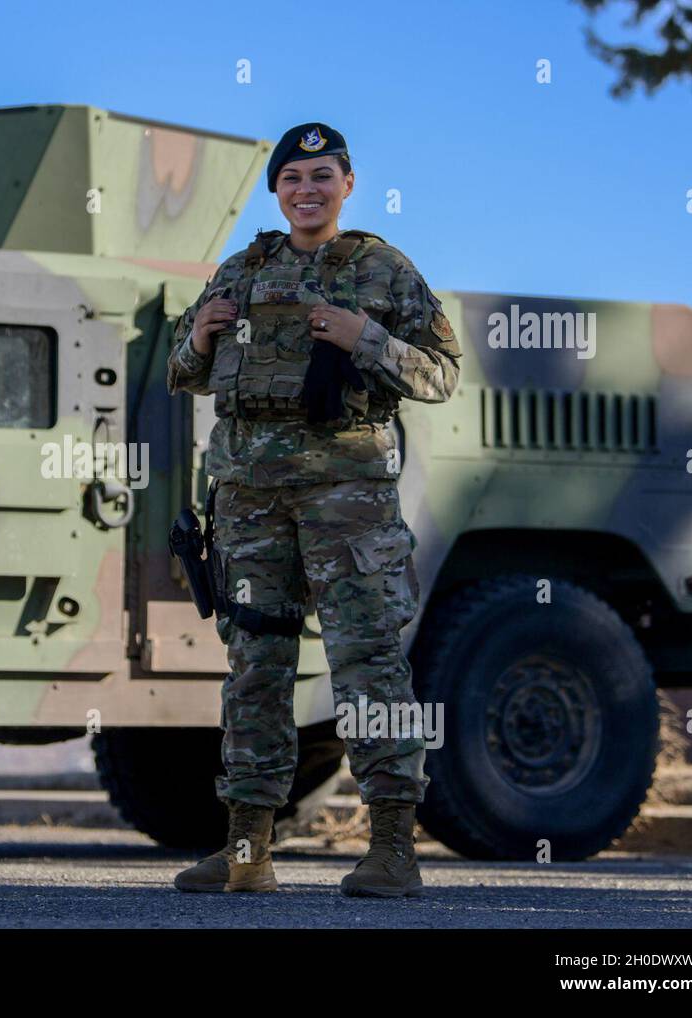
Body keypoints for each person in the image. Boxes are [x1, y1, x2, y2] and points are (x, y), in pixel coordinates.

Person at [165, 122, 461, 896]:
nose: (308, 190)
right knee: (254, 668)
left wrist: (369, 340)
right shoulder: (242, 269)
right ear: (277, 190)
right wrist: (197, 337)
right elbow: (181, 369)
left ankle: (393, 849)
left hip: (348, 503)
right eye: (294, 178)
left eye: (323, 176)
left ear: (348, 185)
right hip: (249, 503)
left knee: (368, 665)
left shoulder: (384, 271)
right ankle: (246, 854)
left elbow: (440, 376)